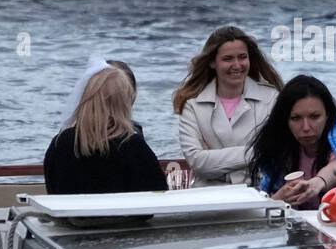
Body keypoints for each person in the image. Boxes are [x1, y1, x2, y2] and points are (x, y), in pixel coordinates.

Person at [174, 26, 284, 186]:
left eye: (242, 57)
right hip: (207, 196)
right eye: (228, 59)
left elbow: (277, 152)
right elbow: (197, 163)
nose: (237, 65)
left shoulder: (271, 98)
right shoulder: (192, 104)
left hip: (258, 192)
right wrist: (257, 151)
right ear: (212, 62)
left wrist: (212, 157)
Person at [248, 74, 336, 210]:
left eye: (314, 117)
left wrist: (318, 182)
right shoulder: (280, 148)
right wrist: (278, 200)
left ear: (328, 115)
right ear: (285, 120)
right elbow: (265, 203)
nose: (306, 127)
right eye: (296, 118)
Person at [44, 63, 168, 194]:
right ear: (124, 103)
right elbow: (157, 191)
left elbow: (52, 189)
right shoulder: (133, 145)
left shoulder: (60, 143)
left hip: (73, 214)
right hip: (126, 214)